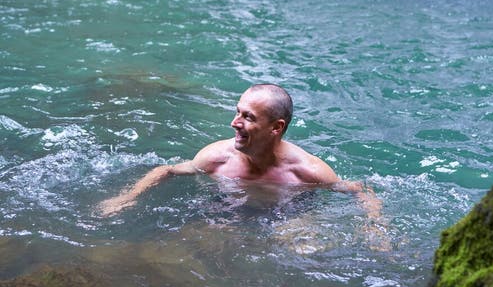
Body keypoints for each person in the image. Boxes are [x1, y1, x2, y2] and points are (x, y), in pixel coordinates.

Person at [98, 83, 386, 236]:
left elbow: (358, 189)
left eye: (248, 117)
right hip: (229, 212)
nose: (234, 123)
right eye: (238, 112)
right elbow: (169, 170)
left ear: (276, 127)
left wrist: (374, 226)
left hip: (287, 216)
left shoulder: (307, 172)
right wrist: (127, 197)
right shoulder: (216, 158)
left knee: (302, 247)